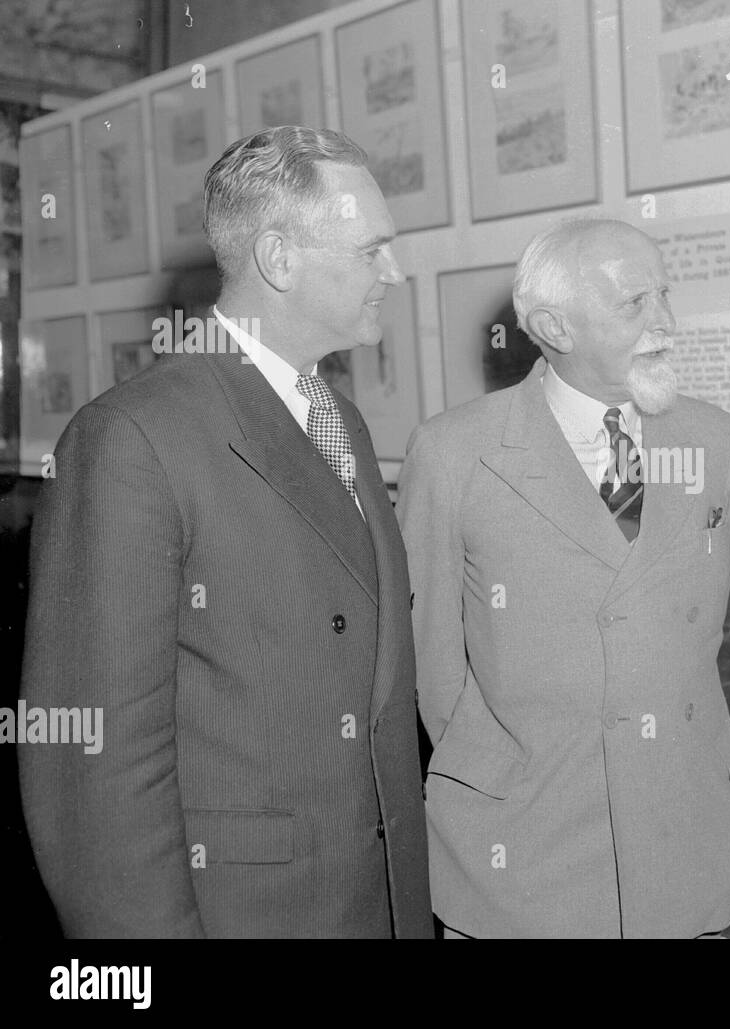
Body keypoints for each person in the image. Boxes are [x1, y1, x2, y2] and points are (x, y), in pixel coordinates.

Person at [19, 126, 434, 938]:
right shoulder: (132, 438)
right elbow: (93, 774)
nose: (396, 271)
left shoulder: (335, 416)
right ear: (279, 260)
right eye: (371, 249)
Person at [398, 218, 730, 937]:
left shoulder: (713, 439)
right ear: (553, 325)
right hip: (524, 859)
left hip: (685, 848)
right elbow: (431, 665)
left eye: (665, 295)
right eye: (635, 304)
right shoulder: (454, 452)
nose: (667, 323)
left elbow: (693, 639)